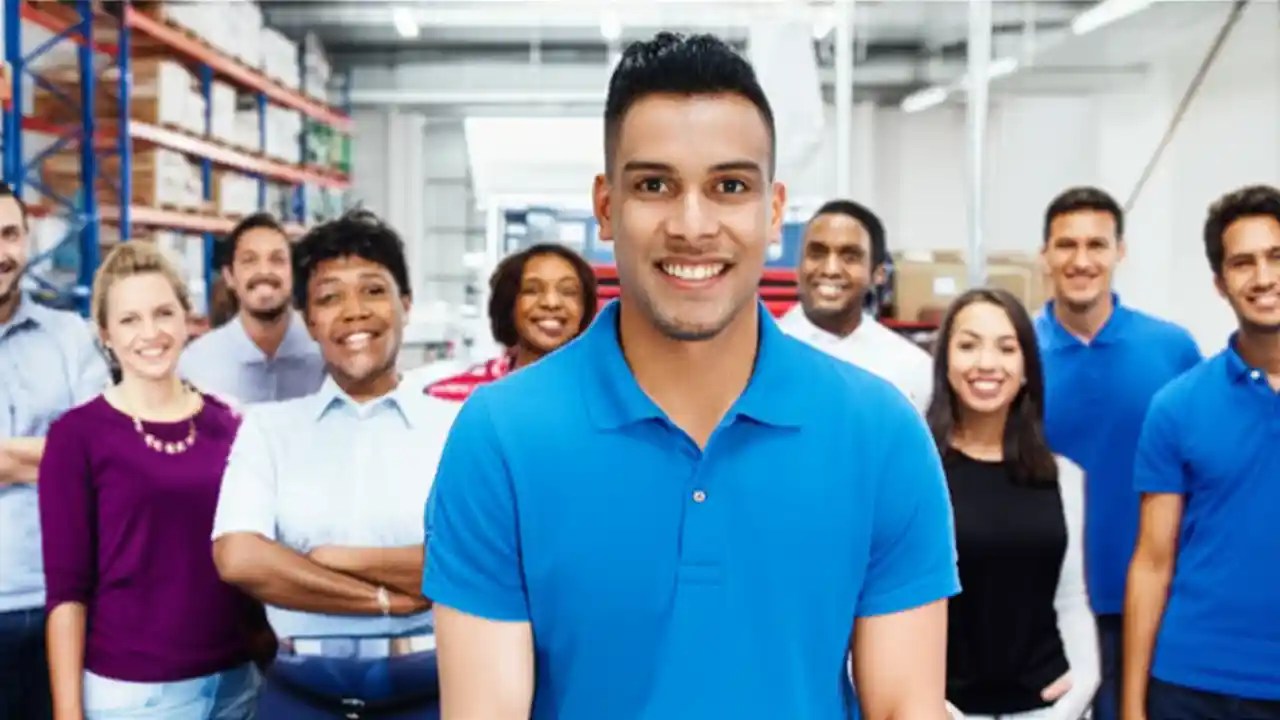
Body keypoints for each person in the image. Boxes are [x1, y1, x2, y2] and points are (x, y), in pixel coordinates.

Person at [422, 32, 959, 720]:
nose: (692, 224)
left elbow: (903, 709)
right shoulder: (501, 437)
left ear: (772, 210)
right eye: (654, 185)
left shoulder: (880, 433)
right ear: (607, 207)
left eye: (729, 186)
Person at [212, 209, 456, 719]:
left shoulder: (459, 429)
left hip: (434, 696)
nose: (352, 311)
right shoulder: (269, 430)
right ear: (310, 320)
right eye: (328, 297)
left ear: (404, 305)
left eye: (372, 290)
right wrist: (390, 601)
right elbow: (239, 557)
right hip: (300, 699)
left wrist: (327, 558)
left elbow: (469, 563)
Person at [38, 243, 263, 719]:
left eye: (163, 313)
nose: (150, 333)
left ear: (187, 319)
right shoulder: (76, 436)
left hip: (239, 679)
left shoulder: (229, 425)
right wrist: (67, 712)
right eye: (129, 320)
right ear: (105, 335)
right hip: (136, 694)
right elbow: (66, 593)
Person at [1032, 186, 1200, 720]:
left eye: (1096, 245)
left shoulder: (1172, 350)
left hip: (1152, 606)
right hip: (1046, 609)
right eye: (1066, 245)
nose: (1081, 261)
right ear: (1045, 255)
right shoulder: (1016, 355)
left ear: (1119, 252)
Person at [1125, 184, 1280, 720]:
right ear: (1221, 283)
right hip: (1193, 688)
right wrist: (1131, 707)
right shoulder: (1177, 406)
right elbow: (1151, 562)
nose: (1263, 277)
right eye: (1243, 263)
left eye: (1276, 257)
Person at [927, 288, 1099, 720]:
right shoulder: (916, 472)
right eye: (968, 345)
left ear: (1025, 369)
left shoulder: (1063, 477)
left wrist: (1082, 685)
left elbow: (1072, 598)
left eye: (1007, 348)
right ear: (945, 361)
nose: (987, 363)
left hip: (1045, 709)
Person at [0, 181, 110, 720]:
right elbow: (72, 456)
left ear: (28, 239)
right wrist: (51, 457)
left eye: (10, 235)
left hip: (61, 602)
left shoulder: (69, 337)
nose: (1, 253)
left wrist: (10, 460)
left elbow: (101, 455)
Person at [778, 199, 933, 413]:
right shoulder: (754, 354)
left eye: (850, 257)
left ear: (878, 274)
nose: (830, 269)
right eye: (817, 254)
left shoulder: (912, 368)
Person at [180, 212, 325, 404]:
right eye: (249, 260)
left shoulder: (326, 352)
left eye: (277, 259)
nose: (264, 271)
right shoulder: (197, 365)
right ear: (230, 276)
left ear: (293, 273)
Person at [425, 242, 597, 401]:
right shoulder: (452, 397)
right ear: (508, 303)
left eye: (568, 292)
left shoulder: (608, 398)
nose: (551, 303)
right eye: (532, 290)